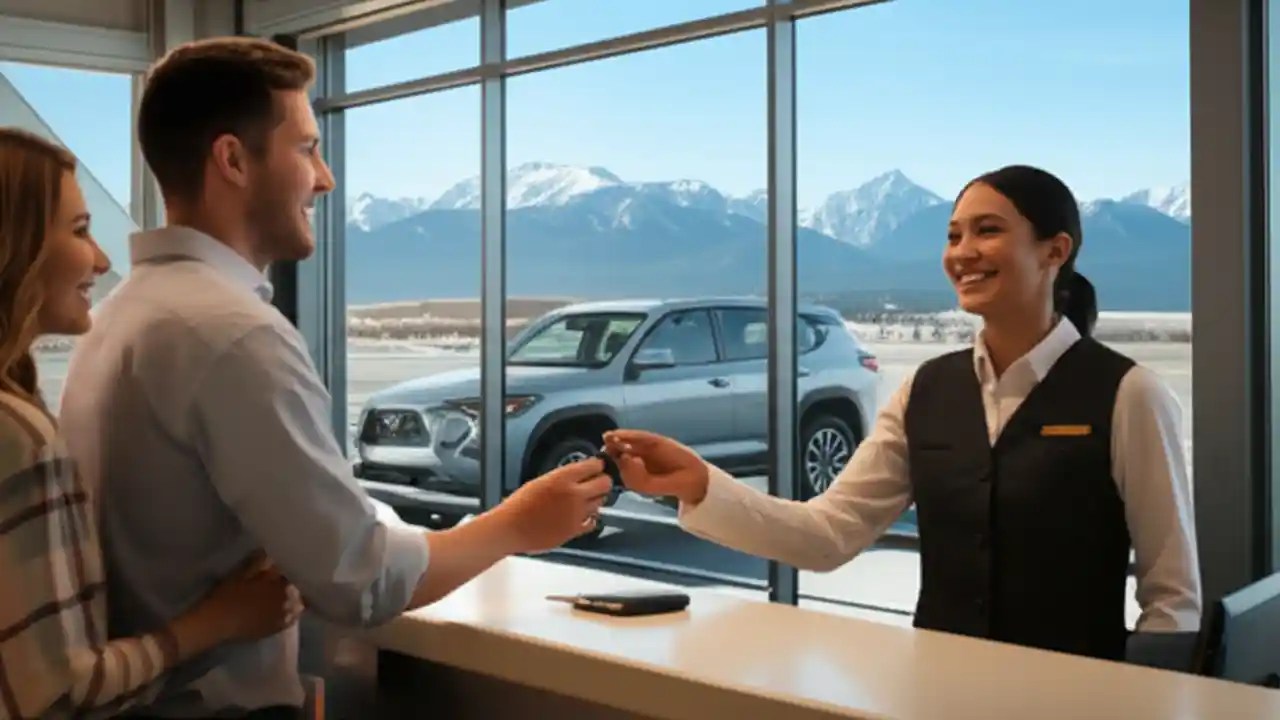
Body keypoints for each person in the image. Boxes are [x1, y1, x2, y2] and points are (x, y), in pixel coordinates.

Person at [58, 38, 611, 718]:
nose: (326, 177)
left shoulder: (119, 318)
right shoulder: (236, 338)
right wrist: (519, 523)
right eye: (306, 148)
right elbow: (363, 583)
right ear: (232, 160)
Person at [605, 164, 1201, 662]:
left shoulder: (1129, 393)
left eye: (987, 231)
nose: (963, 253)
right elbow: (828, 536)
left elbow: (1172, 598)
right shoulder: (925, 389)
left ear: (1055, 250)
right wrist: (702, 485)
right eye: (952, 235)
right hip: (938, 689)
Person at [0, 127, 303, 719]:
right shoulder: (21, 439)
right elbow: (63, 693)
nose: (103, 259)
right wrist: (219, 620)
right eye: (80, 231)